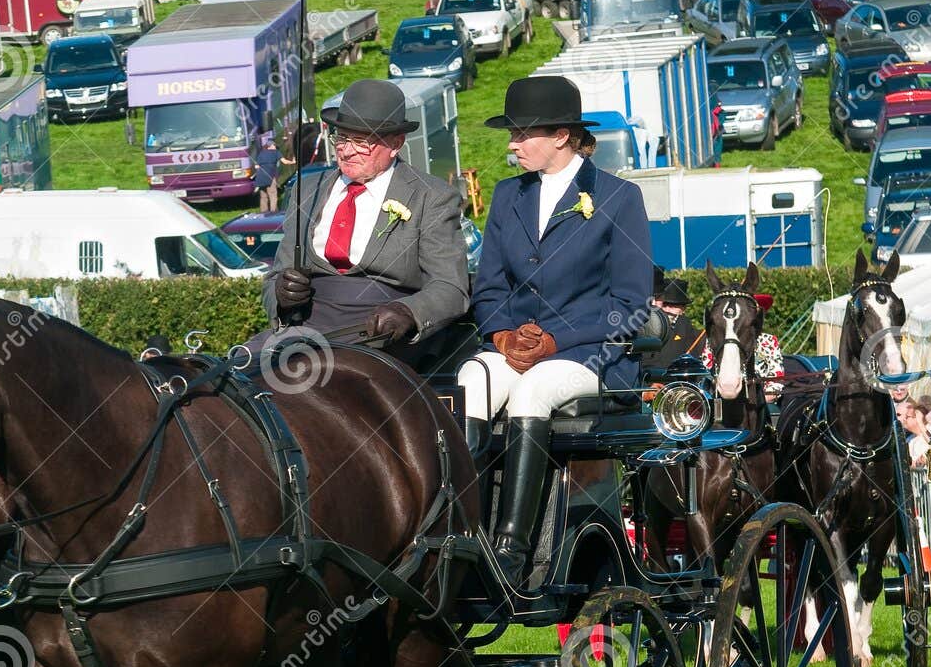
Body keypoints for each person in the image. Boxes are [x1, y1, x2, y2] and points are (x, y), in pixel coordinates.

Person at [461, 76, 653, 584]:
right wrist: (502, 335)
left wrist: (555, 341)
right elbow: (488, 288)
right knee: (471, 380)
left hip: (593, 355)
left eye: (522, 134)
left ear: (562, 136)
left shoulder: (619, 197)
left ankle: (512, 550)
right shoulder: (506, 196)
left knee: (536, 389)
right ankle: (464, 535)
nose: (512, 144)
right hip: (517, 347)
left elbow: (630, 305)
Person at [263, 78, 469, 348]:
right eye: (341, 139)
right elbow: (276, 275)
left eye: (361, 142)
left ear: (396, 144)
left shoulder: (431, 196)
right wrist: (281, 295)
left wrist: (410, 312)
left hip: (381, 331)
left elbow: (450, 287)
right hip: (306, 327)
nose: (346, 151)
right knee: (237, 375)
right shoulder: (307, 190)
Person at [649, 273, 702, 370]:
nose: (668, 309)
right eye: (665, 305)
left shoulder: (687, 327)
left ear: (683, 308)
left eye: (673, 305)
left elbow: (694, 359)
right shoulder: (648, 326)